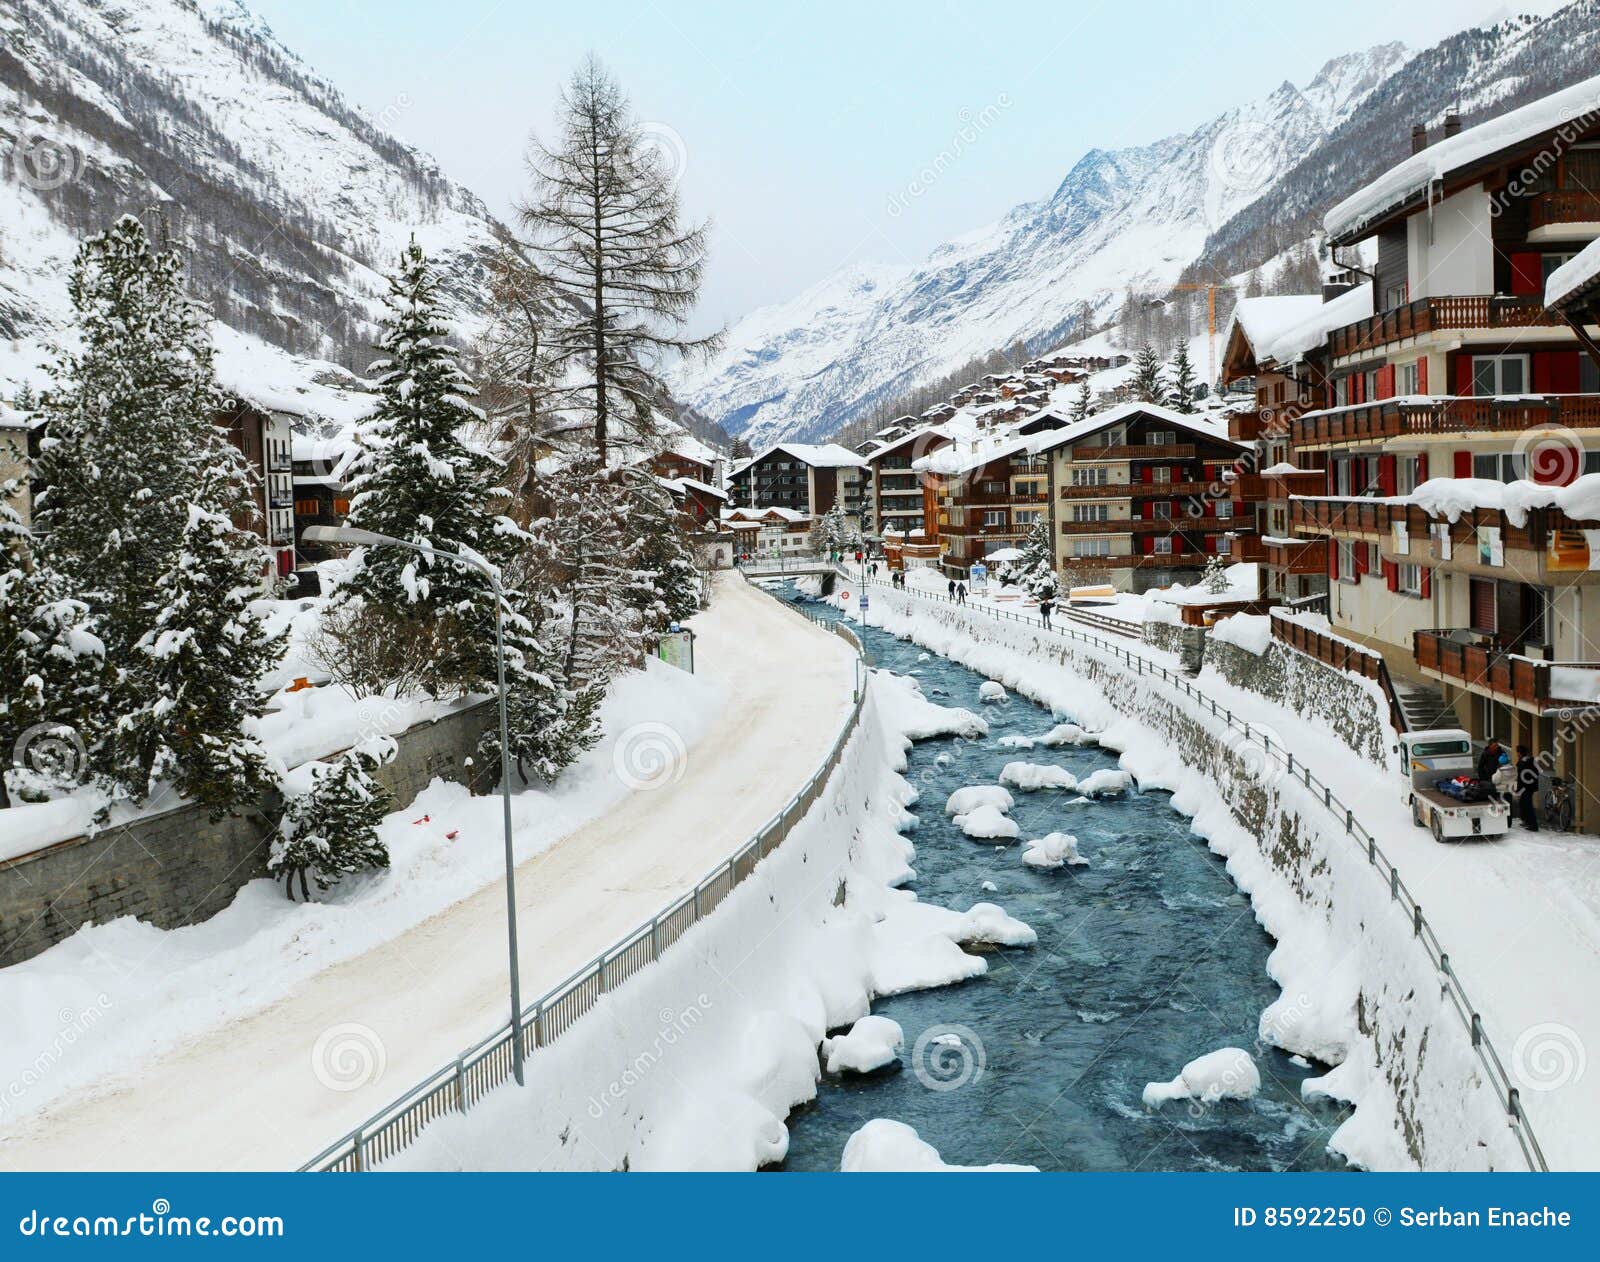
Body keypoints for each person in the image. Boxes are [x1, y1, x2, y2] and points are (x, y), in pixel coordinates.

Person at [1514, 745, 1540, 831]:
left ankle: (1533, 825)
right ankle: (1526, 821)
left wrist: (1519, 790)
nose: (1516, 754)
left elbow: (1521, 778)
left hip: (1526, 787)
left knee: (1528, 805)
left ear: (1520, 753)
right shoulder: (1530, 760)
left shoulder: (1523, 763)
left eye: (1517, 752)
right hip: (1530, 786)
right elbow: (1537, 772)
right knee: (1523, 804)